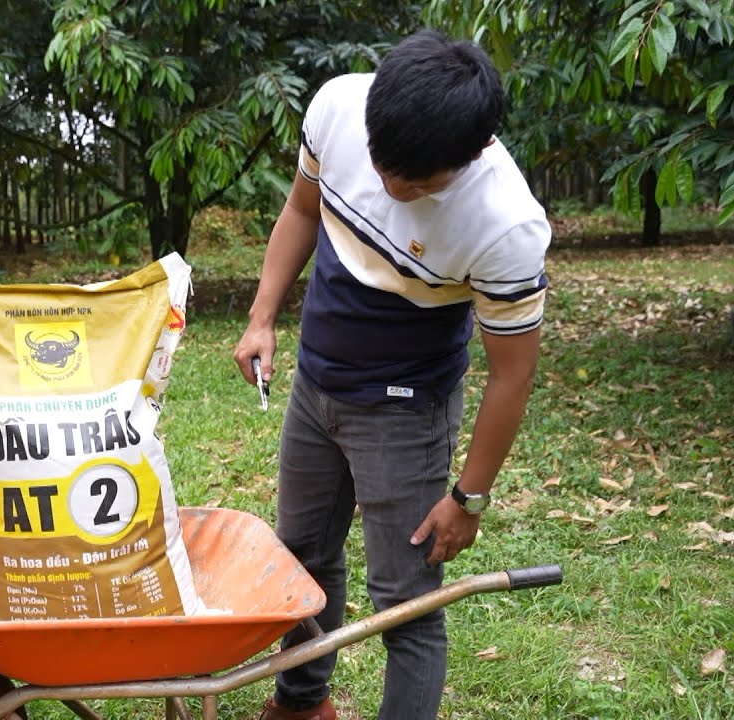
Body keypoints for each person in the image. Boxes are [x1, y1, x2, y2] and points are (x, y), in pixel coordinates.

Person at [233, 30, 550, 720]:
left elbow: (512, 376)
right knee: (302, 559)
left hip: (403, 413)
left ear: (472, 155)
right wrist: (261, 319)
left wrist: (469, 498)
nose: (388, 183)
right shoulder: (340, 108)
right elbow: (301, 209)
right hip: (315, 387)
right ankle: (302, 703)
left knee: (406, 607)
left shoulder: (505, 226)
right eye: (381, 161)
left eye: (413, 179)